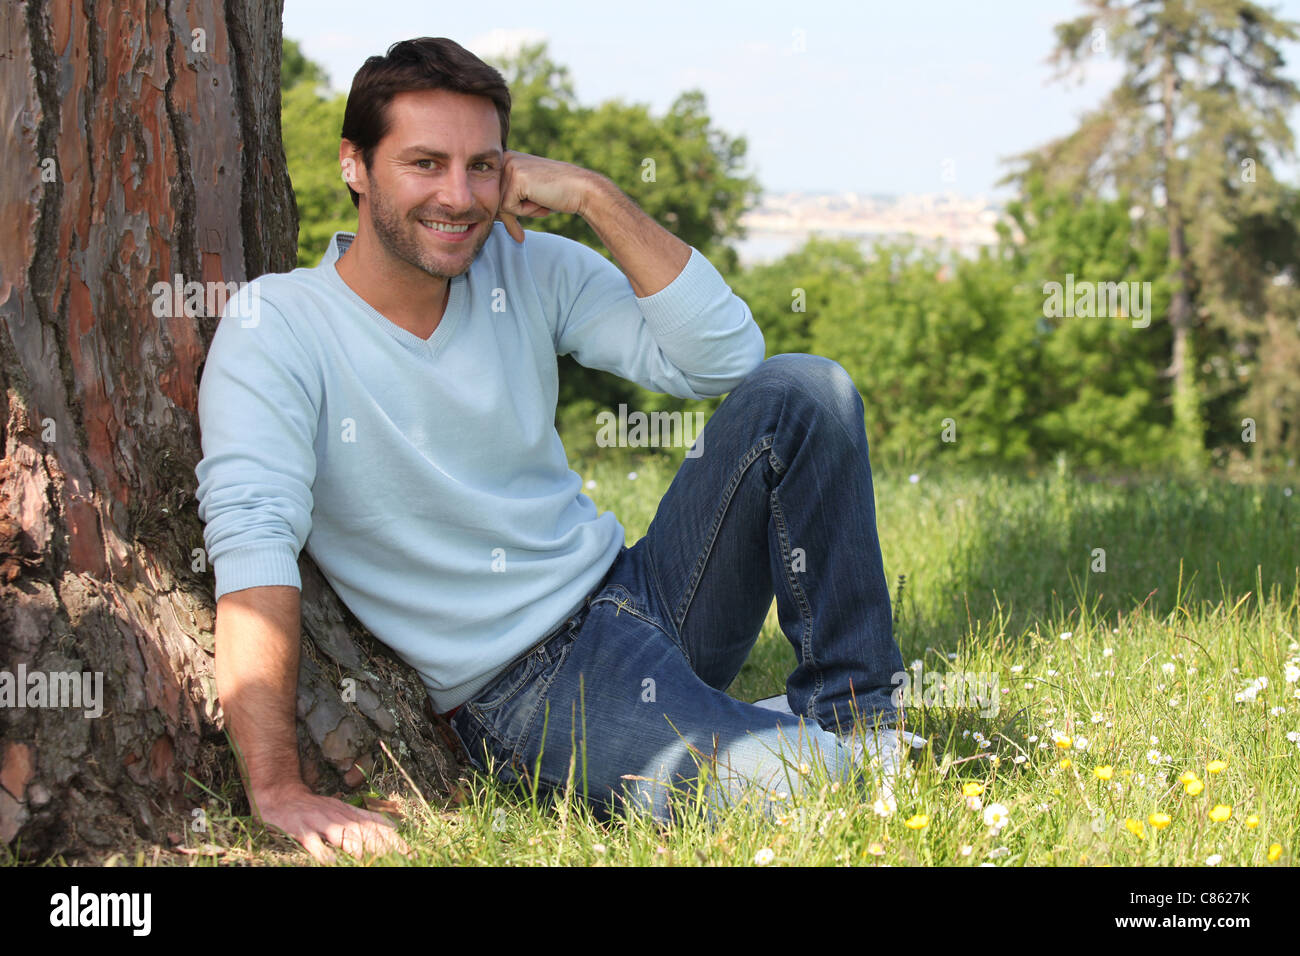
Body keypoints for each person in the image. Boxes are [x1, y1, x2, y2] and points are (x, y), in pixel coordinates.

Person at [195, 36, 910, 864]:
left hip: (639, 592)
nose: (458, 197)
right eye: (425, 163)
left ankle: (856, 717)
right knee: (808, 790)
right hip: (524, 686)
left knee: (804, 390)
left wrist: (593, 196)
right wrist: (277, 788)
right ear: (355, 165)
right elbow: (253, 544)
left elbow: (724, 360)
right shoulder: (278, 324)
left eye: (482, 166)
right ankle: (798, 750)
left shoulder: (520, 264)